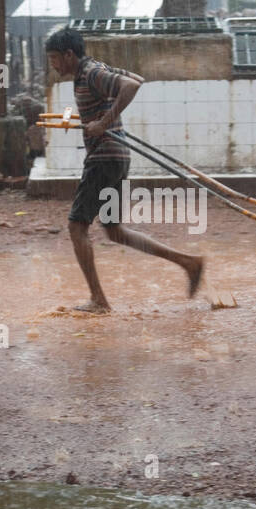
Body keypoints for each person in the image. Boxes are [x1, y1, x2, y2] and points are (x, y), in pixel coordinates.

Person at [45, 27, 205, 315]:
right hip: (115, 157)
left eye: (55, 58)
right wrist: (88, 118)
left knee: (76, 226)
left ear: (69, 55)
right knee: (114, 230)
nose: (53, 65)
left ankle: (98, 300)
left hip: (103, 159)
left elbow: (130, 87)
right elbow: (136, 78)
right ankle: (188, 262)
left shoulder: (90, 72)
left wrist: (104, 122)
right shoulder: (91, 70)